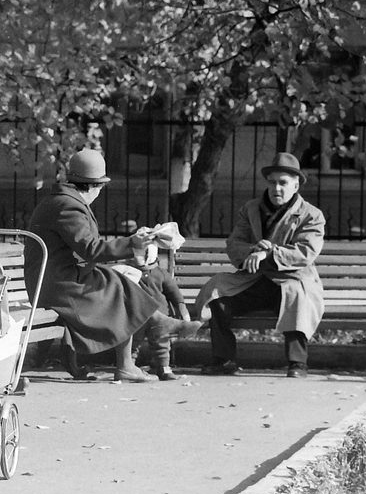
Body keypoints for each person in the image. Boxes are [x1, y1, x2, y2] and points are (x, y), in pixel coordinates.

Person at [24, 149, 202, 382]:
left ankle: (144, 343)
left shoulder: (62, 201)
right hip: (56, 285)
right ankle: (154, 330)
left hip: (57, 278)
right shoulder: (68, 206)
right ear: (96, 186)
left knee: (121, 280)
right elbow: (91, 249)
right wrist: (132, 243)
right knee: (120, 287)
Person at [195, 152, 325, 378]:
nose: (277, 189)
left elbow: (306, 252)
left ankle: (297, 363)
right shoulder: (251, 209)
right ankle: (223, 360)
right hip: (253, 279)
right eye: (273, 182)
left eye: (283, 183)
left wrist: (269, 252)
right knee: (216, 292)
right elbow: (234, 243)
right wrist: (253, 251)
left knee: (297, 297)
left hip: (291, 279)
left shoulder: (311, 215)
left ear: (296, 185)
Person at [112, 243, 192, 381]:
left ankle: (163, 367)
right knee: (132, 342)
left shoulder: (161, 274)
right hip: (135, 316)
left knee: (162, 342)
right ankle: (128, 366)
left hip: (160, 314)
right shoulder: (127, 272)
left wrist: (182, 310)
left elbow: (174, 293)